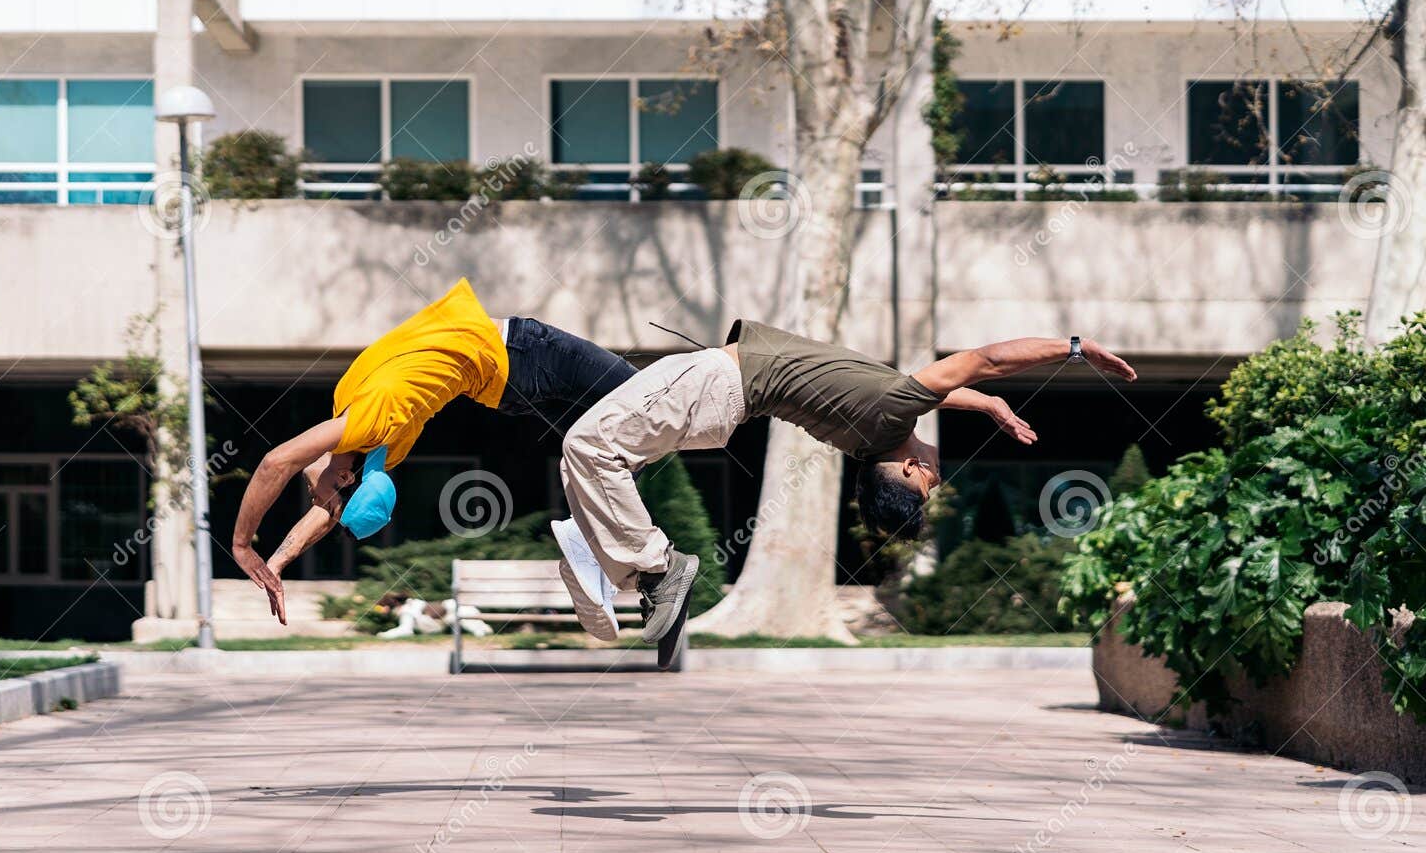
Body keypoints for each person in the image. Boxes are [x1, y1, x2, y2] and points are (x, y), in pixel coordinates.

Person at [552, 322, 1137, 656]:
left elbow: (985, 358)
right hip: (716, 402)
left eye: (932, 478)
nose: (939, 467)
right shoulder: (876, 430)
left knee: (587, 447)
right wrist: (986, 403)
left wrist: (1076, 349)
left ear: (909, 470)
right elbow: (957, 385)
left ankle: (653, 569)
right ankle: (599, 556)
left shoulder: (888, 415)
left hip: (713, 383)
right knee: (598, 457)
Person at [230, 277, 637, 623]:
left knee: (611, 438)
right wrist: (244, 547)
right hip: (524, 354)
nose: (315, 502)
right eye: (322, 500)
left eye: (318, 502)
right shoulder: (372, 425)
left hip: (510, 384)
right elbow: (276, 463)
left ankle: (588, 544)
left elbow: (305, 486)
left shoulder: (365, 432)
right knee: (646, 398)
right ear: (345, 478)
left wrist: (277, 562)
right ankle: (588, 545)